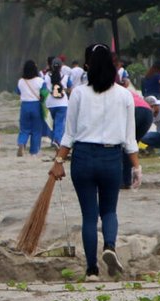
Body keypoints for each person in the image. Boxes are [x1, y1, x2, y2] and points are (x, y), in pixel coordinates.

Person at [49, 44, 140, 283]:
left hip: (83, 158)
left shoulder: (78, 93)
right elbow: (130, 138)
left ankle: (91, 270)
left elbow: (69, 134)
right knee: (109, 210)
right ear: (114, 66)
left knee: (89, 216)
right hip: (111, 158)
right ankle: (109, 245)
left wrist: (59, 161)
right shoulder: (124, 95)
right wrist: (136, 166)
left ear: (87, 66)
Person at [16, 60, 47, 156]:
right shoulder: (40, 81)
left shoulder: (21, 81)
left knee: (24, 129)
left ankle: (21, 143)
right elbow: (45, 94)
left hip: (25, 106)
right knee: (36, 130)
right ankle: (34, 151)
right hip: (36, 106)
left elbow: (18, 92)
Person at [44, 59, 71, 146]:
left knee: (52, 123)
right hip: (62, 103)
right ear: (61, 67)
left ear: (51, 66)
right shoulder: (65, 76)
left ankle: (53, 140)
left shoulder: (47, 76)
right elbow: (70, 88)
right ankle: (57, 140)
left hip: (50, 103)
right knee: (59, 123)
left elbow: (44, 88)